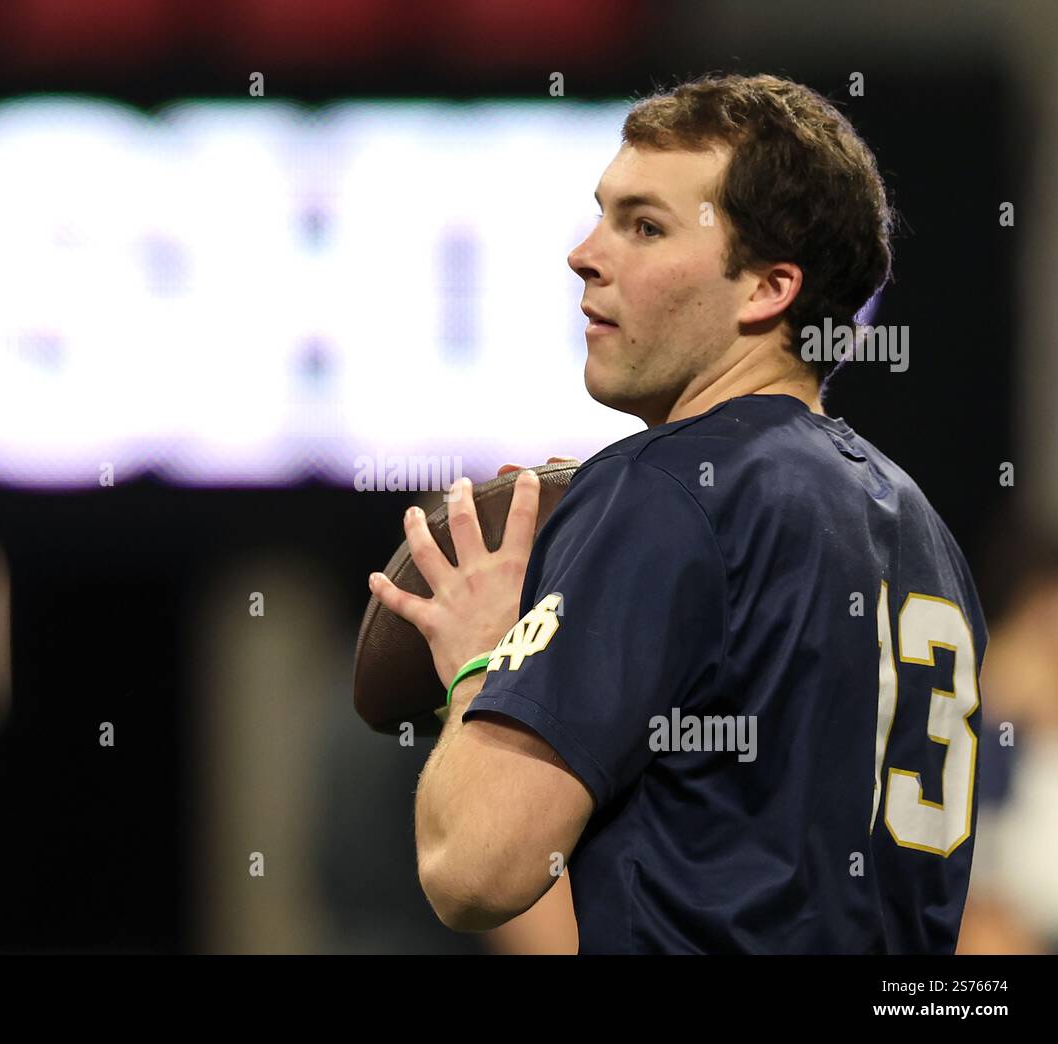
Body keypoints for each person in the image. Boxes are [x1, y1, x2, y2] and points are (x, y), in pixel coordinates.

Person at [367, 73, 986, 954]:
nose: (584, 253)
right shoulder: (923, 527)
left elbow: (474, 870)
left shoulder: (667, 487)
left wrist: (483, 661)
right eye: (601, 214)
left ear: (768, 289)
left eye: (644, 226)